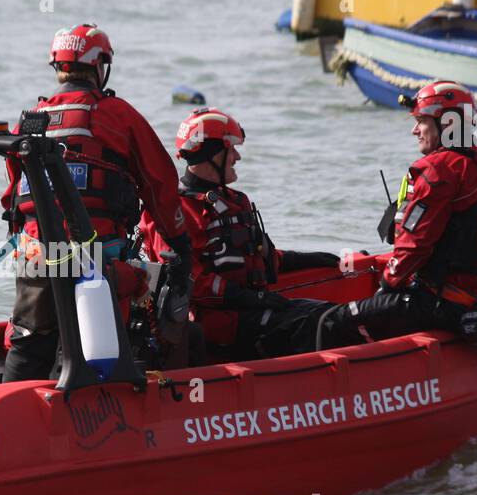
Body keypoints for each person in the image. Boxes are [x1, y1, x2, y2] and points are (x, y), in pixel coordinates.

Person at [0, 23, 192, 381]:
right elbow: (160, 184)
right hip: (97, 257)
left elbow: (12, 200)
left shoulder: (28, 122)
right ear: (99, 66)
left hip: (33, 258)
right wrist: (180, 245)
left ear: (58, 66)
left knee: (28, 342)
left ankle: (13, 405)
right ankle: (97, 409)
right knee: (104, 333)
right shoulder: (117, 115)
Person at [315, 81, 477, 354]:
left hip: (444, 301)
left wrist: (387, 286)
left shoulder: (442, 168)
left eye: (421, 121)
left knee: (329, 322)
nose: (414, 130)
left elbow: (415, 244)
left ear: (447, 123)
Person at [139, 107, 341, 360]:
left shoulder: (235, 200)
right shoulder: (174, 212)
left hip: (250, 312)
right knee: (322, 322)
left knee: (332, 315)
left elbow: (251, 258)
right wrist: (252, 298)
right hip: (216, 325)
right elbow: (192, 283)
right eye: (231, 149)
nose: (237, 157)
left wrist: (304, 259)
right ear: (211, 154)